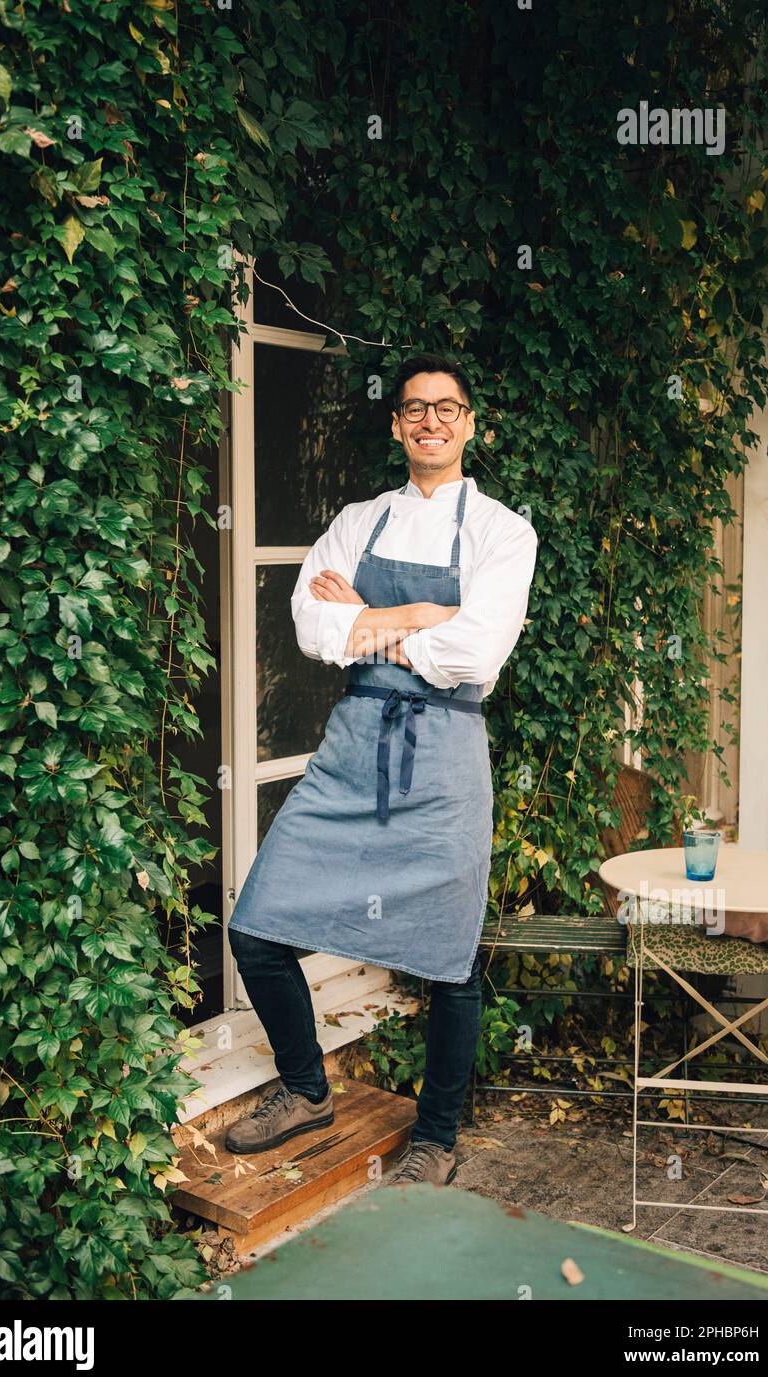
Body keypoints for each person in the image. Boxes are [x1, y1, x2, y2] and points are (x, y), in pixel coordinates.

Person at [224, 352, 538, 1186]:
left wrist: (361, 620)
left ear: (470, 424)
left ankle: (436, 1137)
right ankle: (305, 1088)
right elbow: (308, 629)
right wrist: (411, 615)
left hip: (443, 761)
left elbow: (475, 649)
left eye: (447, 408)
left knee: (450, 960)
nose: (430, 421)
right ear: (397, 425)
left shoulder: (504, 531)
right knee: (255, 928)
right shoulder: (359, 520)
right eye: (414, 410)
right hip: (354, 747)